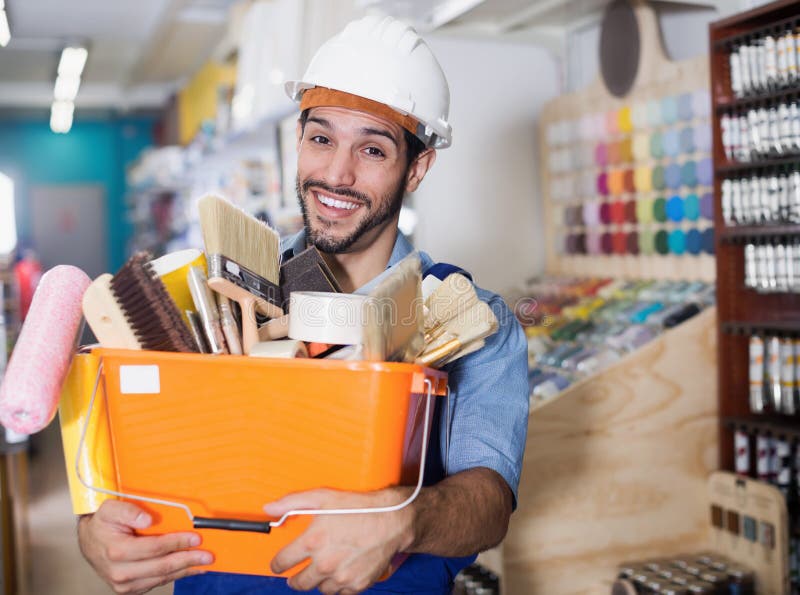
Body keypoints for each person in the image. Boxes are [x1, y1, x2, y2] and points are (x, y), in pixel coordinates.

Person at [77, 14, 529, 595]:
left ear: (417, 167)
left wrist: (405, 519)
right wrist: (94, 525)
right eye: (322, 139)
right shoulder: (207, 294)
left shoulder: (477, 322)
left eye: (372, 149)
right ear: (298, 139)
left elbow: (489, 503)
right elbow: (135, 459)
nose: (336, 174)